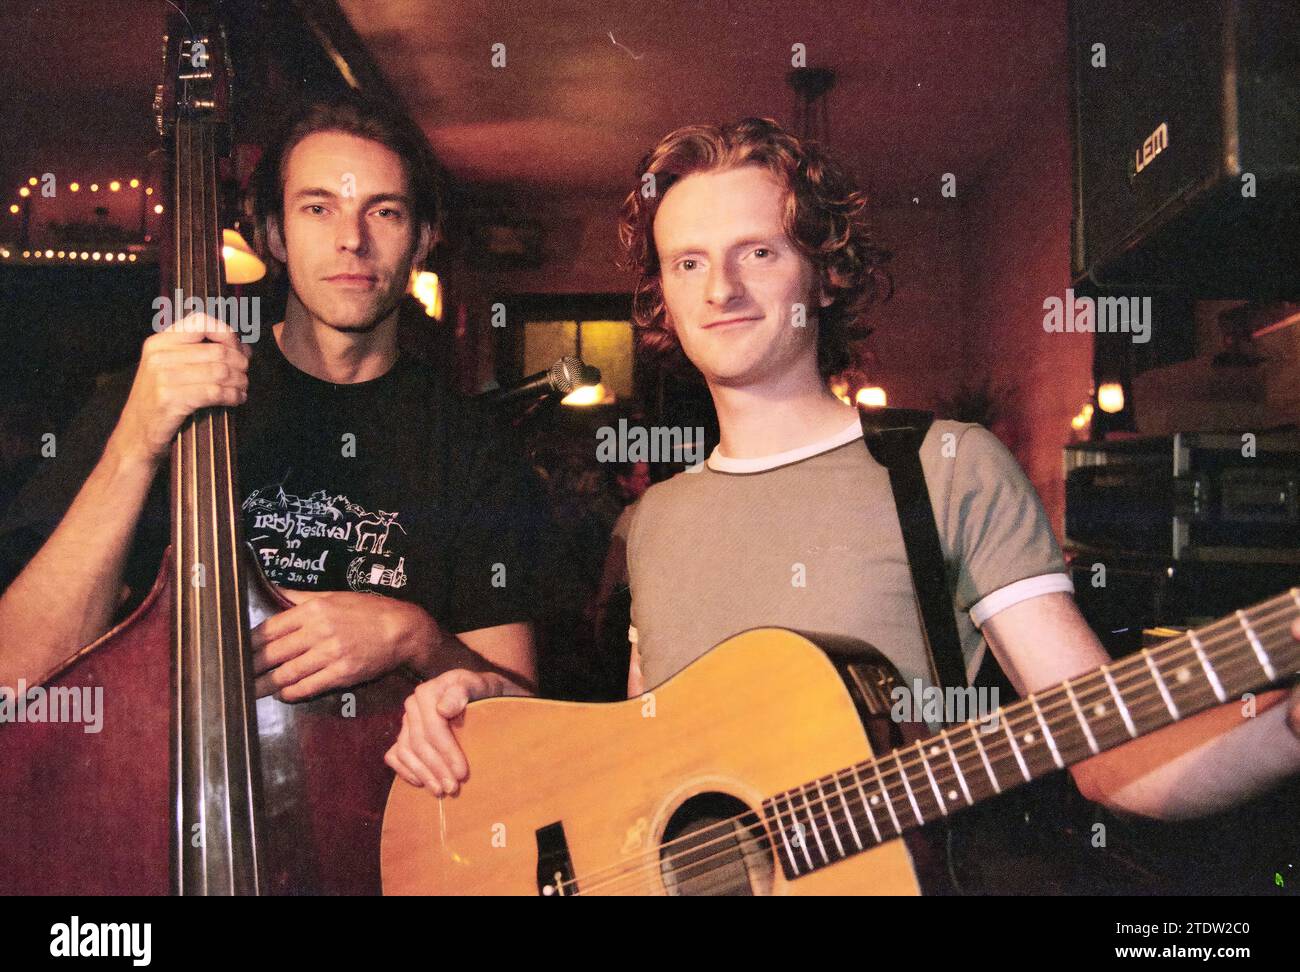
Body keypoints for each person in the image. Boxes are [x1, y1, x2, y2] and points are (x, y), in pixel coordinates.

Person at [388, 117, 1300, 825]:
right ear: (661, 297)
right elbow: (641, 786)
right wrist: (486, 707)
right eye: (688, 263)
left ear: (823, 275)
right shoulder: (655, 520)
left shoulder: (944, 468)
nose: (721, 291)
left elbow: (1111, 758)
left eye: (759, 252)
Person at [0, 94, 541, 735]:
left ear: (421, 238)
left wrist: (413, 637)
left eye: (384, 212)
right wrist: (134, 446)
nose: (351, 240)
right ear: (274, 233)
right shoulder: (156, 398)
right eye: (318, 208)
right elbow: (15, 676)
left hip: (392, 821)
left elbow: (521, 717)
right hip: (152, 803)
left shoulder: (473, 444)